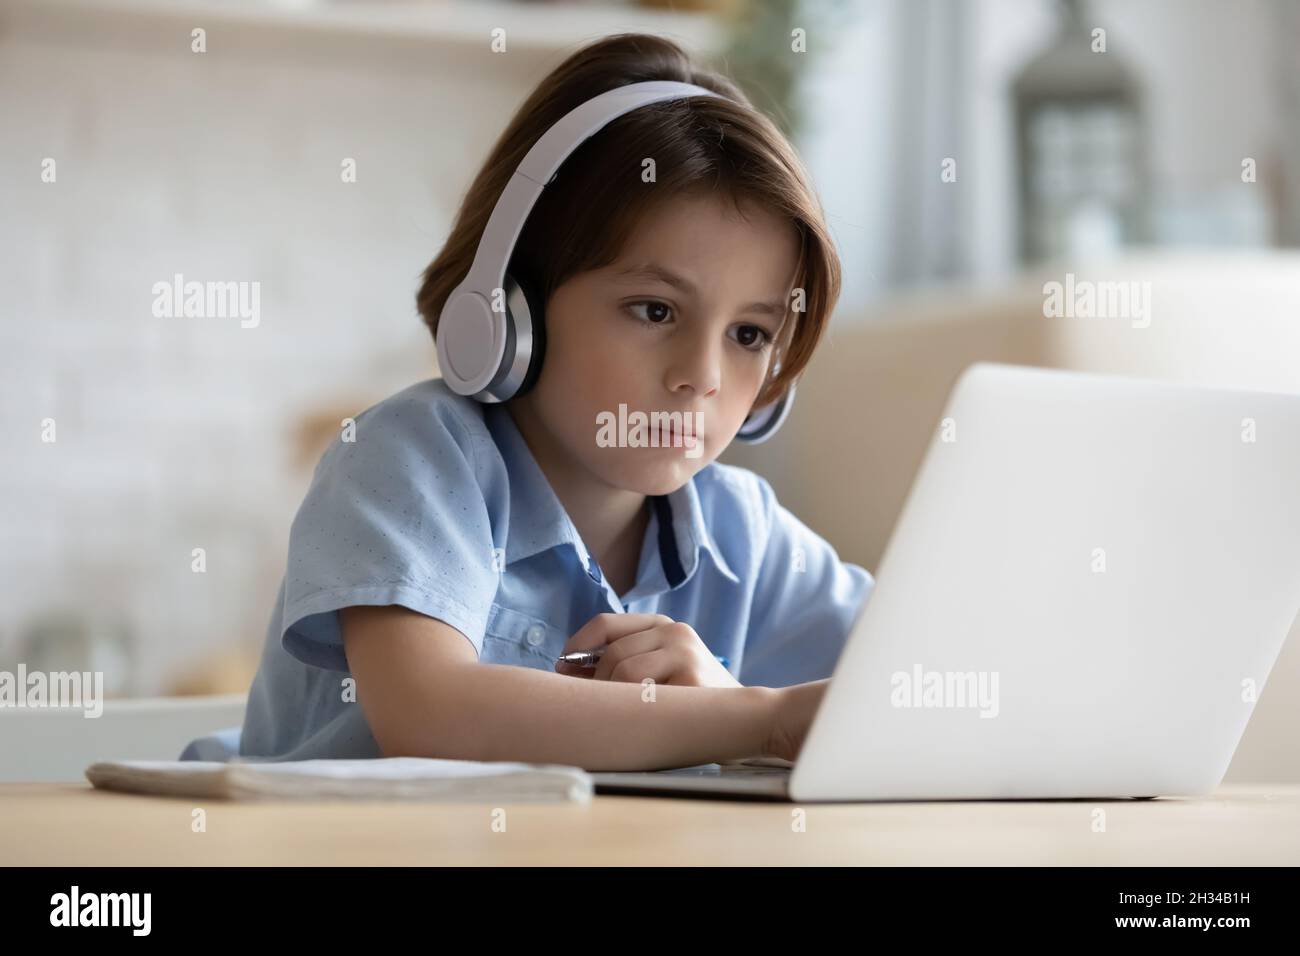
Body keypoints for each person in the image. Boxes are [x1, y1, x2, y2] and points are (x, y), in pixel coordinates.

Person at [237, 33, 874, 771]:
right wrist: (753, 718)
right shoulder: (411, 458)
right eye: (655, 311)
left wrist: (730, 700)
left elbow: (929, 684)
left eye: (749, 332)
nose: (701, 376)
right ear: (511, 312)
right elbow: (429, 715)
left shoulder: (746, 534)